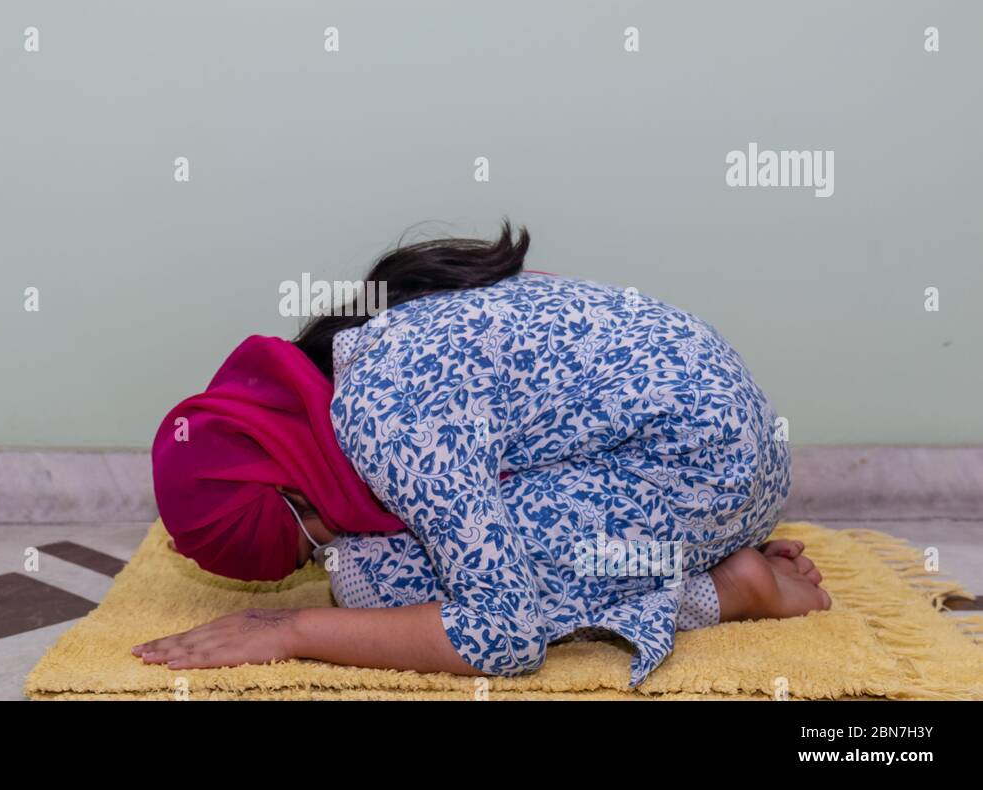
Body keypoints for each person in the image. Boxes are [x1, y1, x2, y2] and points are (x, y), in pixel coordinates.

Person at [138, 223, 829, 685]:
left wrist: (293, 629)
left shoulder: (388, 419)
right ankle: (691, 550)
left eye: (304, 548)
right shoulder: (368, 350)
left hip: (704, 472)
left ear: (293, 494)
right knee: (439, 548)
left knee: (375, 586)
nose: (328, 548)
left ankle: (724, 590)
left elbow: (503, 638)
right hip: (739, 448)